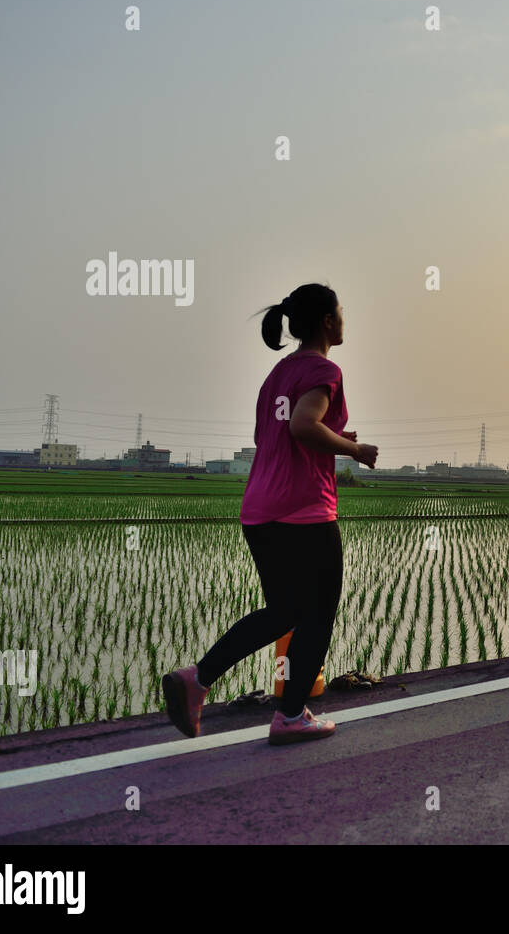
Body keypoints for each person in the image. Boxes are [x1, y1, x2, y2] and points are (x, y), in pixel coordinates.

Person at [162, 283, 378, 745]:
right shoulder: (325, 369)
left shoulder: (278, 373)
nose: (344, 319)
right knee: (318, 612)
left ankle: (197, 678)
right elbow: (302, 427)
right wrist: (354, 449)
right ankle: (292, 714)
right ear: (326, 321)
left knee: (284, 611)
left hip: (260, 508)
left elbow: (280, 434)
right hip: (303, 510)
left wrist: (334, 437)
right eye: (340, 312)